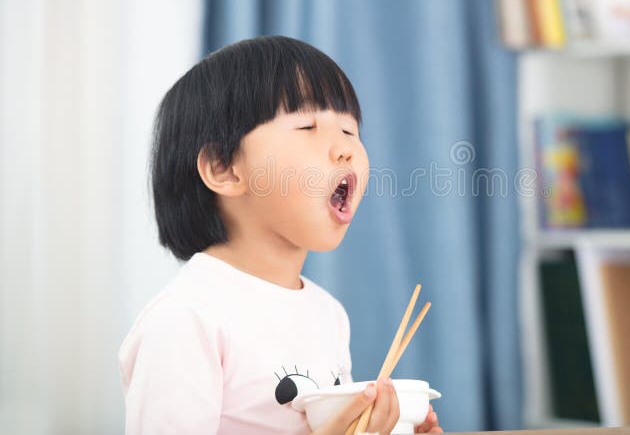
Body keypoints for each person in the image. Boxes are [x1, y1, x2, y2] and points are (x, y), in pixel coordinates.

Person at [118, 36, 442, 434]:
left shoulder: (329, 314)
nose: (345, 150)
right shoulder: (185, 320)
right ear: (224, 168)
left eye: (350, 130)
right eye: (307, 126)